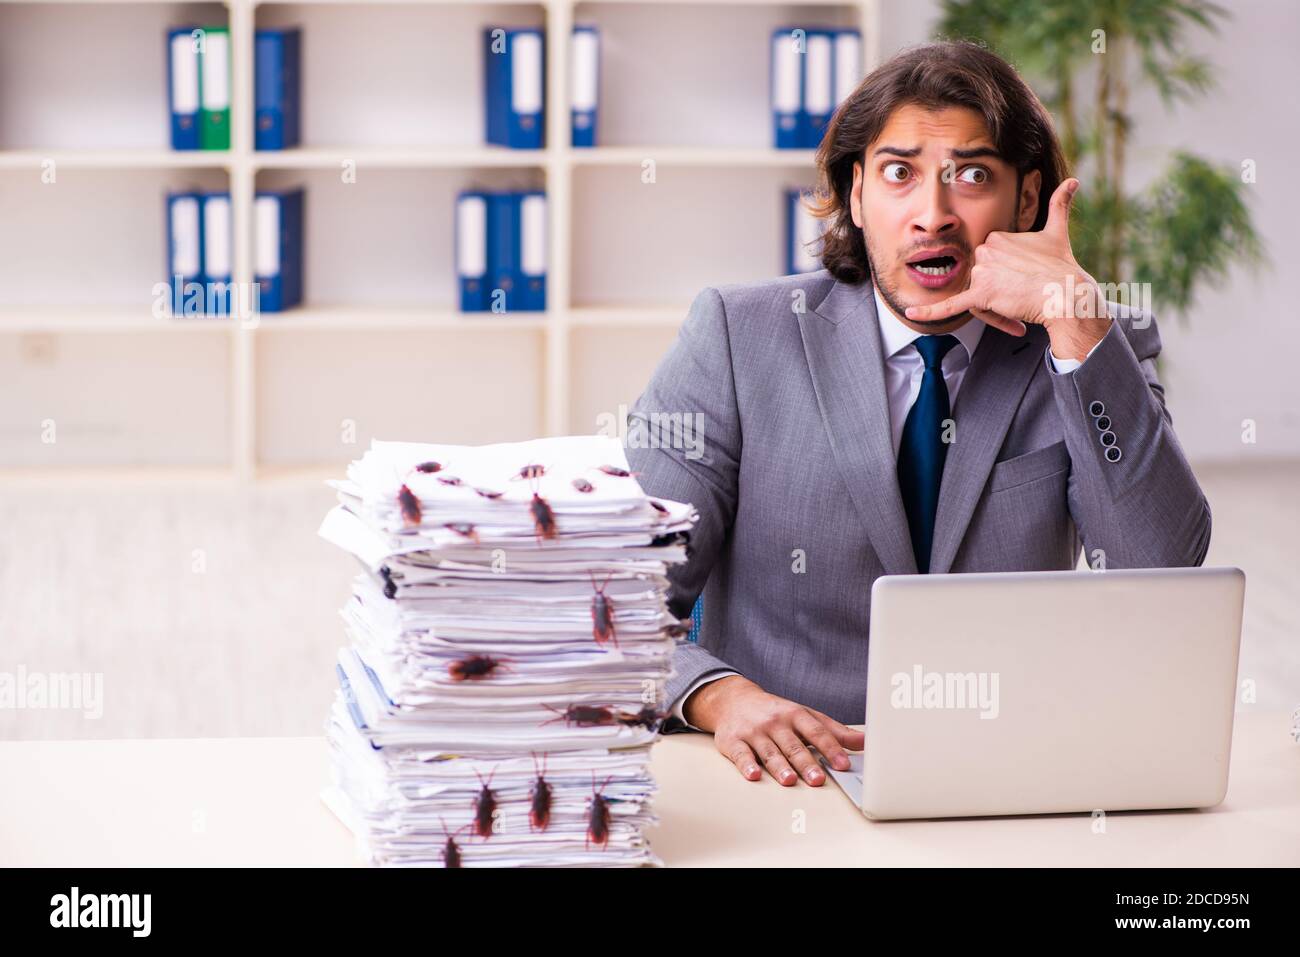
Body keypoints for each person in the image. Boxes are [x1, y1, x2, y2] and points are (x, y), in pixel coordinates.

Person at [625, 40, 1211, 788]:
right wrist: (718, 696)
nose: (933, 215)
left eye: (972, 176)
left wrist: (1079, 330)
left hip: (1011, 774)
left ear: (1026, 201)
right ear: (858, 193)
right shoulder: (738, 336)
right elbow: (616, 600)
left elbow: (1161, 576)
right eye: (900, 173)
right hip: (782, 781)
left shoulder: (1094, 340)